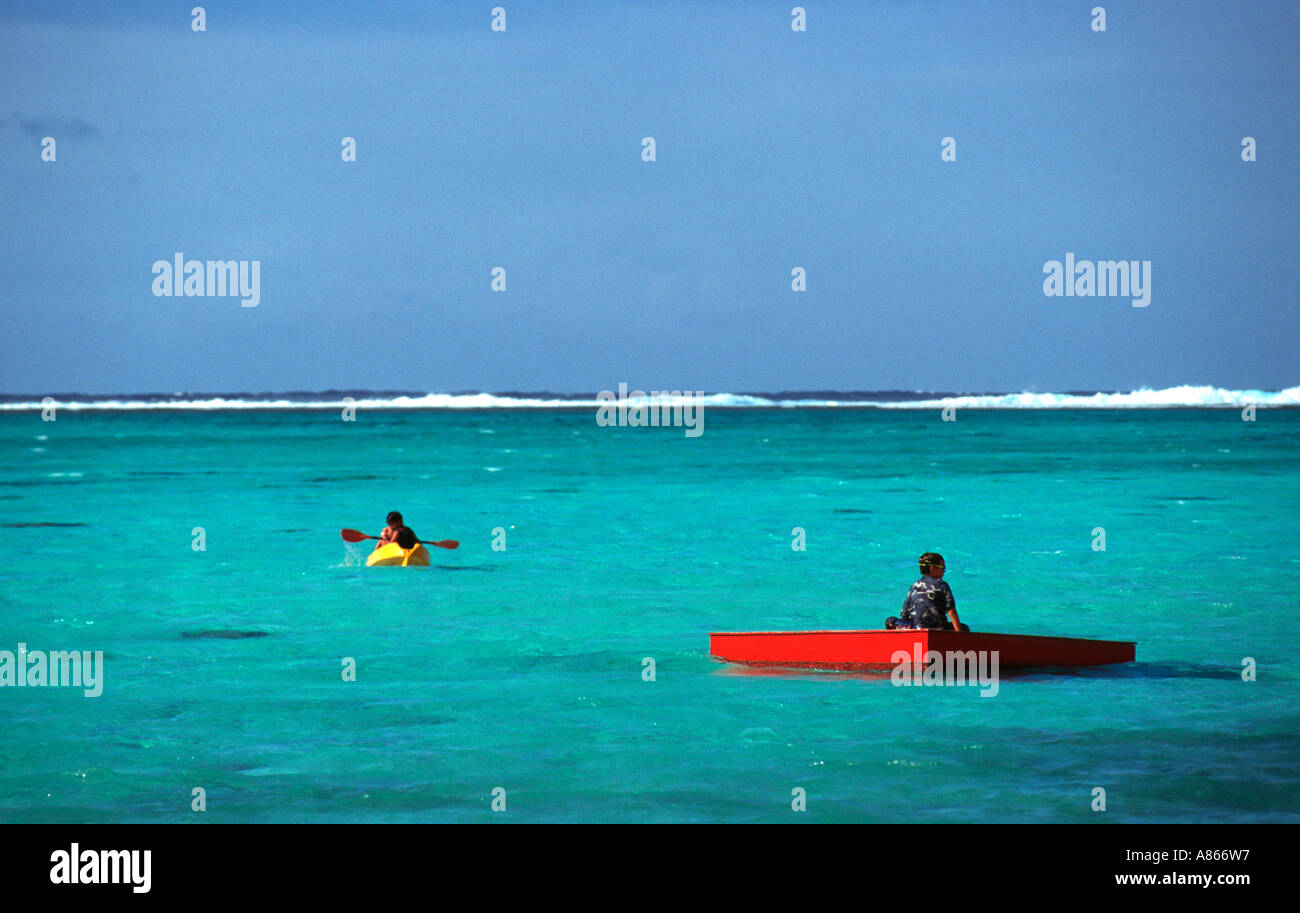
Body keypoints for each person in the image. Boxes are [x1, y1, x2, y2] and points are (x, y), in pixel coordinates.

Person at [885, 552, 968, 631]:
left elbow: (904, 614)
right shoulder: (942, 585)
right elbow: (951, 611)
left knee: (890, 620)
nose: (944, 571)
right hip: (939, 628)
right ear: (932, 568)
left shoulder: (914, 586)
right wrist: (959, 633)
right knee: (965, 628)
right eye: (943, 568)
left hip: (915, 628)